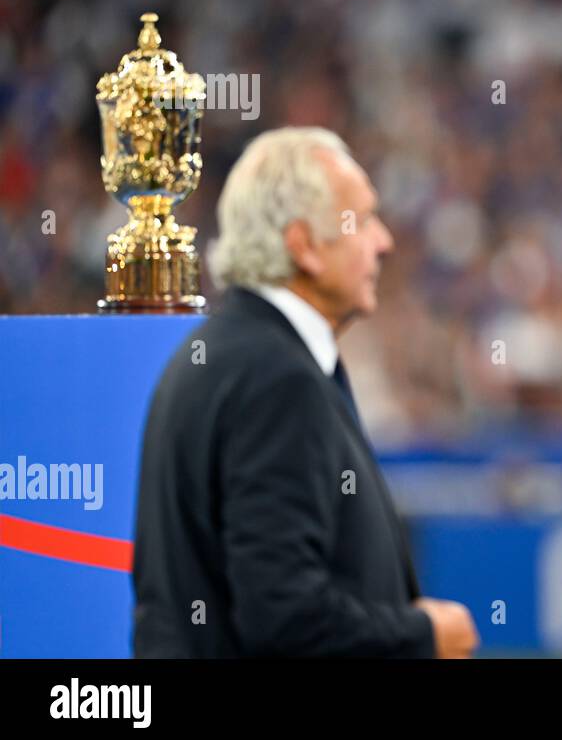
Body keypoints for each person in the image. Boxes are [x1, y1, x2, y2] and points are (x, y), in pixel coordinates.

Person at [132, 127, 478, 658]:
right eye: (360, 220)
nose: (384, 241)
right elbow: (284, 618)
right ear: (304, 246)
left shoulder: (215, 358)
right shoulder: (275, 379)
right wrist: (425, 636)